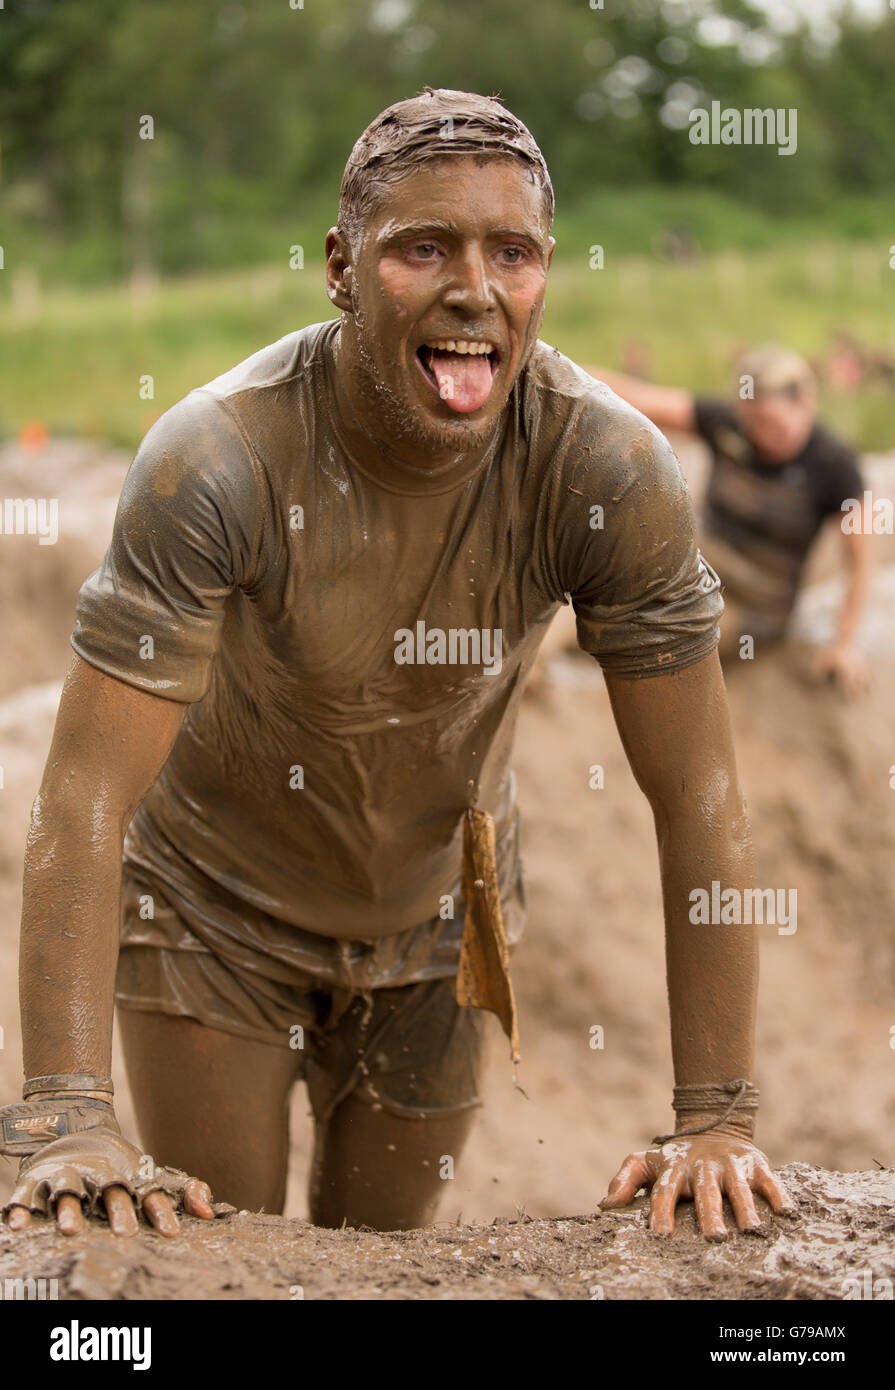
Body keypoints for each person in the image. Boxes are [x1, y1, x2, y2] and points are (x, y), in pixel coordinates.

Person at [2, 88, 794, 1245]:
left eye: (509, 253)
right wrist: (64, 1113)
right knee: (222, 1247)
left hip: (439, 918)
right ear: (339, 267)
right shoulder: (217, 460)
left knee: (385, 1258)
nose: (472, 289)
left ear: (544, 271)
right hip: (213, 908)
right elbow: (81, 796)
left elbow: (697, 793)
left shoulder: (602, 466)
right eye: (423, 248)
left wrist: (717, 1117)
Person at [584, 348, 871, 693]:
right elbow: (636, 399)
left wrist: (844, 643)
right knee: (600, 584)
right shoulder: (727, 425)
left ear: (806, 402)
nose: (764, 434)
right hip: (701, 564)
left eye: (775, 424)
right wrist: (559, 374)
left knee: (666, 639)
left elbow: (858, 565)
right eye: (754, 423)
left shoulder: (835, 466)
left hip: (759, 601)